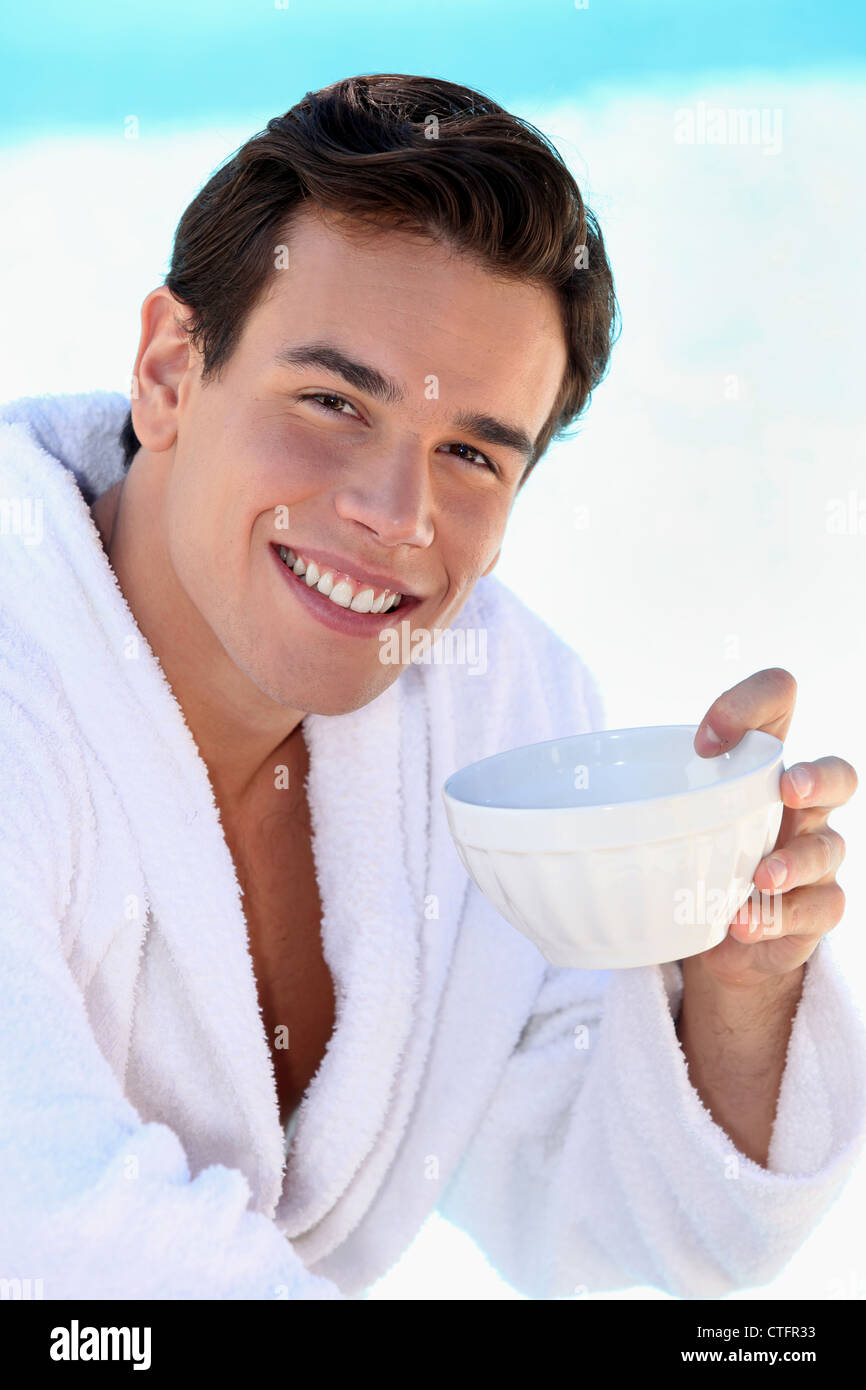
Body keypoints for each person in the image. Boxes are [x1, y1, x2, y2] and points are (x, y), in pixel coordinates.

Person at [1, 73, 863, 1302]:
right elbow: (47, 1234)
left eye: (468, 453)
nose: (393, 517)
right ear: (169, 370)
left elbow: (618, 1225)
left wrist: (733, 985)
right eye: (332, 401)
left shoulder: (494, 710)